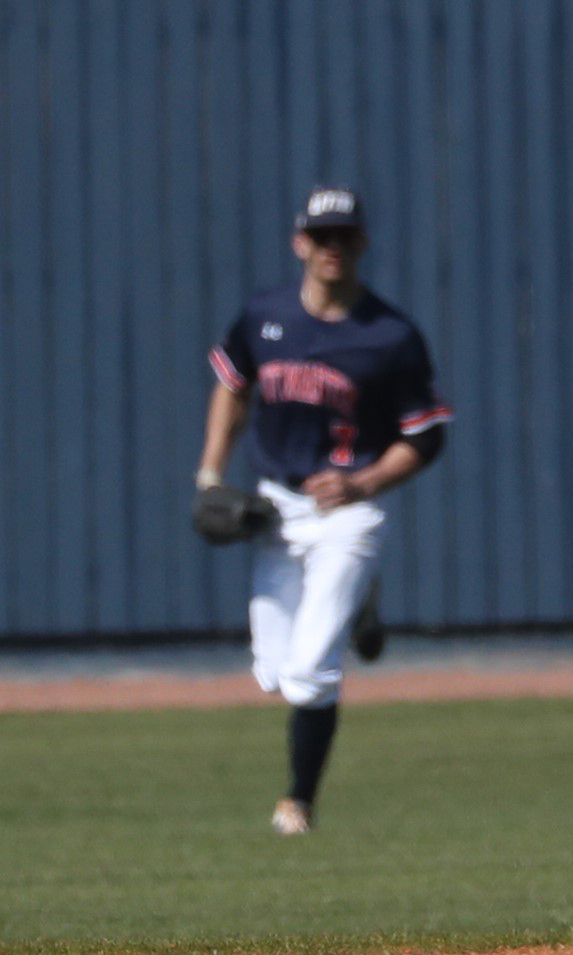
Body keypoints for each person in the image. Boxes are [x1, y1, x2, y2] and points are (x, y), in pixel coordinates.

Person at [195, 185, 452, 836]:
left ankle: (296, 806)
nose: (331, 247)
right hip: (277, 508)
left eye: (344, 236)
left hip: (346, 510)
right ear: (299, 242)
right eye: (321, 235)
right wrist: (209, 476)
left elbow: (426, 435)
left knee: (311, 672)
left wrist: (364, 483)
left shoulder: (389, 335)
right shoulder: (264, 316)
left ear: (360, 243)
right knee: (273, 673)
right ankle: (358, 601)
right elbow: (232, 388)